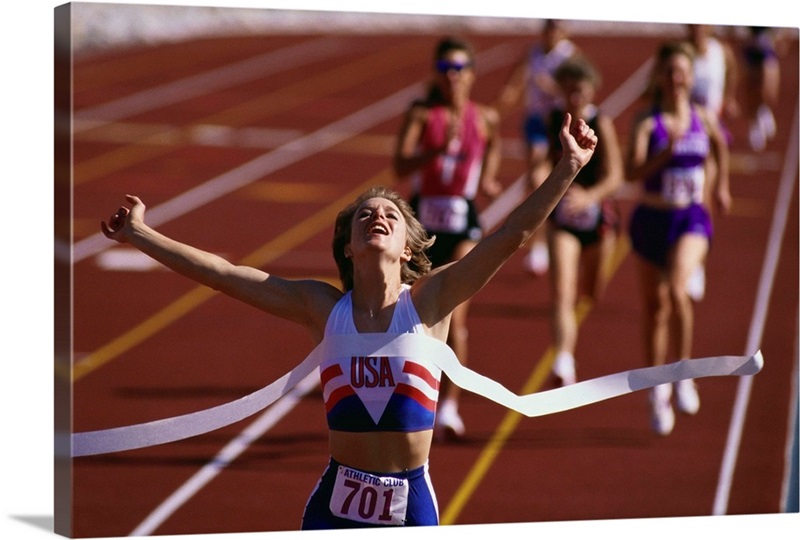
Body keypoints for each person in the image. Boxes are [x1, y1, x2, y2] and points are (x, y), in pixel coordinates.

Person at [101, 113, 597, 528]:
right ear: (348, 247)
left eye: (390, 214)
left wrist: (569, 167)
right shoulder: (323, 309)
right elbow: (225, 275)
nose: (376, 215)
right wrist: (142, 235)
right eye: (364, 215)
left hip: (410, 505)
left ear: (407, 249)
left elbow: (510, 235)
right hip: (334, 505)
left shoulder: (429, 302)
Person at [393, 36, 502, 441]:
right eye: (445, 69)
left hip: (463, 220)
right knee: (409, 315)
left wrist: (487, 178)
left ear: (472, 74)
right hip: (422, 222)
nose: (452, 77)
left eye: (459, 69)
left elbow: (493, 145)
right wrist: (432, 151)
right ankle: (408, 392)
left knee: (454, 313)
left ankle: (450, 406)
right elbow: (400, 164)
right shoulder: (422, 115)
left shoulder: (485, 117)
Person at [625, 41, 732, 436]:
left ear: (690, 76)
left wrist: (721, 186)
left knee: (676, 291)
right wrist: (663, 154)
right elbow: (632, 173)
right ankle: (657, 390)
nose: (675, 79)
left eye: (681, 71)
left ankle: (685, 373)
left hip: (691, 219)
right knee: (654, 308)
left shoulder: (702, 116)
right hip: (651, 219)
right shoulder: (646, 122)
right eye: (668, 72)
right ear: (659, 77)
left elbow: (720, 148)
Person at [543, 56, 624, 386]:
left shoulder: (601, 123)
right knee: (562, 292)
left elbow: (616, 175)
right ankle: (564, 359)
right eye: (570, 91)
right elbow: (540, 162)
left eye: (581, 91)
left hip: (597, 221)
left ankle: (568, 348)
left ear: (591, 91)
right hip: (562, 220)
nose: (575, 97)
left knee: (591, 293)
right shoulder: (552, 121)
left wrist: (589, 197)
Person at [495, 19, 580, 277]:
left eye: (556, 26)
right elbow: (514, 86)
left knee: (557, 181)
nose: (551, 32)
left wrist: (551, 87)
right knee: (536, 177)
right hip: (535, 122)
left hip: (559, 122)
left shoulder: (570, 55)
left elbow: (578, 92)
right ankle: (539, 244)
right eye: (548, 26)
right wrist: (496, 111)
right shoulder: (532, 53)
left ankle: (561, 233)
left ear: (563, 30)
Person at [685, 24, 740, 301]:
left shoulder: (721, 52)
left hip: (708, 134)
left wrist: (728, 98)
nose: (695, 28)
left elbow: (732, 73)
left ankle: (697, 266)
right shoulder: (681, 56)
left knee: (702, 201)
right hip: (681, 134)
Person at [741, 26, 781, 151]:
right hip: (752, 45)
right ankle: (755, 123)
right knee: (751, 87)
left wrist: (779, 38)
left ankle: (764, 110)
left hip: (767, 46)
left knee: (769, 87)